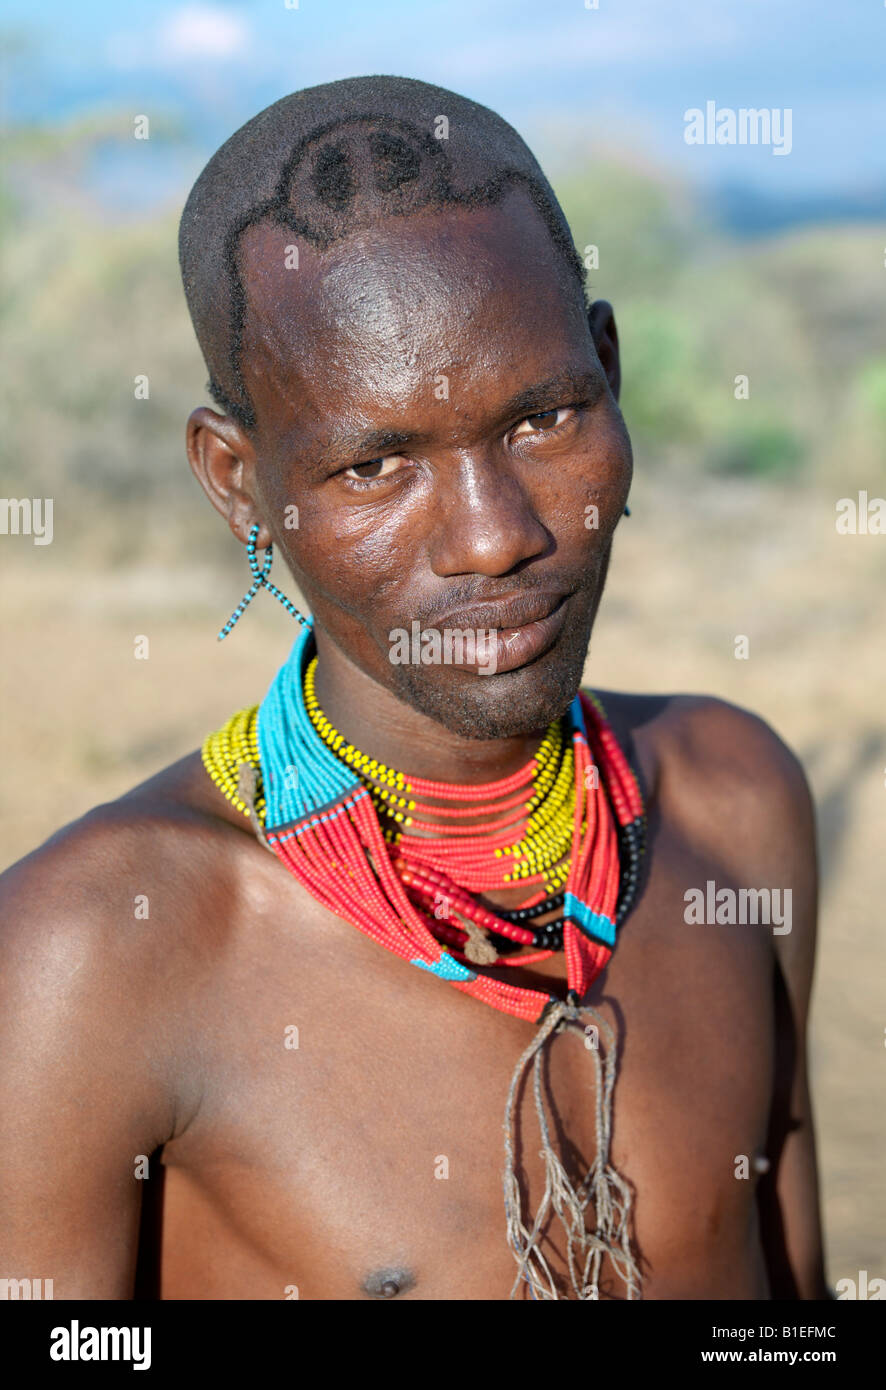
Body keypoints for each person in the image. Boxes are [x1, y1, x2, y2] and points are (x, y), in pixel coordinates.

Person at [0, 75, 829, 1300]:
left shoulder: (733, 802)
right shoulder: (93, 956)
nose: (493, 538)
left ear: (609, 368)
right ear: (238, 481)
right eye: (375, 464)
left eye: (544, 418)